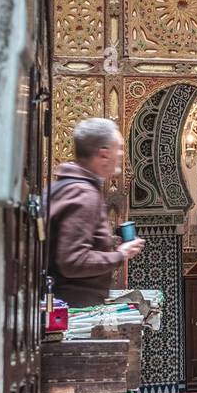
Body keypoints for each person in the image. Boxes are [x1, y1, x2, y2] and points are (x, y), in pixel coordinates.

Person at [48, 118, 145, 307]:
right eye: (119, 148)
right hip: (71, 311)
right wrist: (120, 255)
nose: (122, 154)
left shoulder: (66, 186)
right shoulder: (83, 193)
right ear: (103, 154)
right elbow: (73, 261)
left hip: (62, 305)